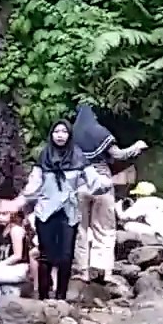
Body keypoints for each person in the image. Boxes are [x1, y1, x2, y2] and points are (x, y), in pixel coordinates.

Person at [20, 119, 113, 300]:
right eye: (57, 132)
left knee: (66, 256)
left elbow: (93, 180)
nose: (60, 135)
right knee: (45, 256)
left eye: (64, 132)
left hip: (69, 212)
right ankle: (43, 296)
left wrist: (105, 184)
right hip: (45, 212)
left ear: (69, 135)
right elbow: (34, 183)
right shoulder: (44, 156)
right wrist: (23, 197)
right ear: (52, 135)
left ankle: (61, 297)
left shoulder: (78, 156)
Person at [71, 104, 147, 282]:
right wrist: (137, 147)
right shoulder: (100, 132)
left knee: (80, 230)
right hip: (102, 183)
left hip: (79, 185)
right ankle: (105, 272)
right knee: (105, 228)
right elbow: (119, 155)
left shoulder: (71, 135)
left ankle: (83, 271)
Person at [117, 181, 163, 247]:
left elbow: (123, 216)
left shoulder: (143, 202)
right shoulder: (160, 201)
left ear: (139, 194)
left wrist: (117, 205)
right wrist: (134, 205)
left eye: (136, 195)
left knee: (128, 225)